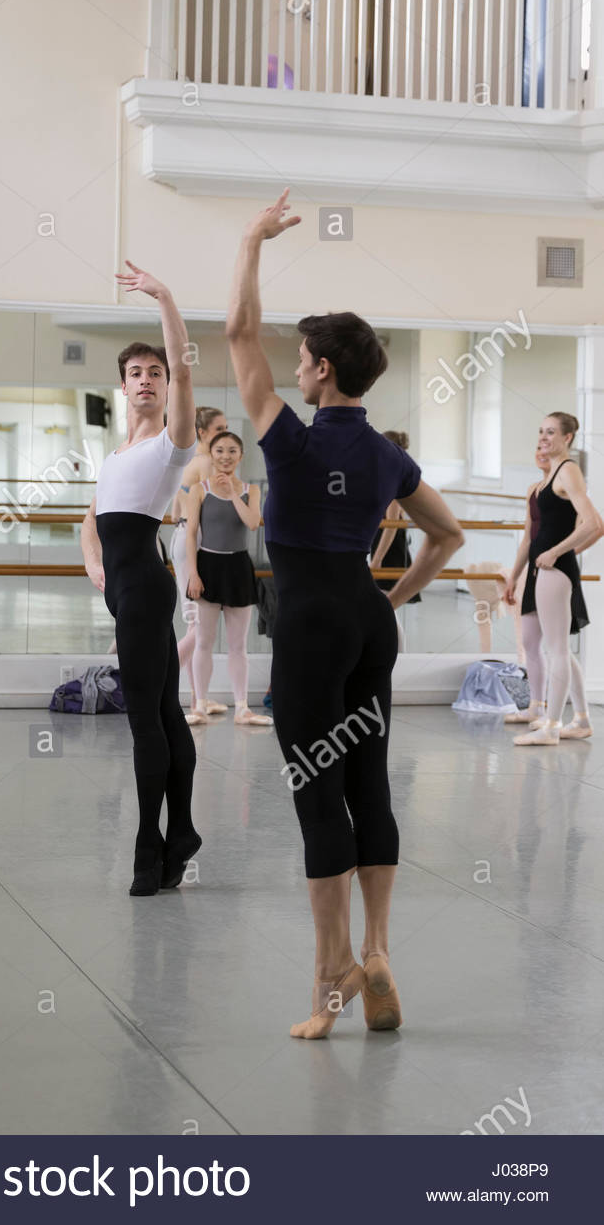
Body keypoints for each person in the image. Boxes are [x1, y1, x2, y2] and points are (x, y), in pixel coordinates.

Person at [226, 189, 465, 1039]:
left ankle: (332, 980)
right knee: (369, 781)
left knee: (314, 791)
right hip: (367, 621)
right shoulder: (385, 455)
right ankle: (380, 949)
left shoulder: (289, 440)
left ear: (323, 370)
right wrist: (390, 597)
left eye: (302, 359)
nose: (291, 368)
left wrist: (254, 238)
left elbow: (238, 337)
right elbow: (449, 535)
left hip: (311, 624)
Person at [80, 261, 199, 897]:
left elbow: (183, 362)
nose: (147, 380)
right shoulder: (115, 456)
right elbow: (90, 522)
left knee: (146, 725)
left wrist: (164, 295)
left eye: (156, 373)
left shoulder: (169, 446)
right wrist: (97, 569)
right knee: (165, 718)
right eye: (136, 374)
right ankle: (179, 834)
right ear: (122, 387)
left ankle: (148, 846)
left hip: (148, 592)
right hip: (127, 589)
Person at [503, 416, 602, 744]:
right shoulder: (542, 484)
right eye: (540, 431)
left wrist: (560, 554)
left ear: (568, 437)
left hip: (553, 570)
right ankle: (581, 719)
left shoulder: (569, 470)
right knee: (536, 642)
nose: (543, 438)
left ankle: (552, 726)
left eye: (551, 432)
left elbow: (593, 523)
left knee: (558, 648)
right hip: (537, 571)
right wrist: (513, 577)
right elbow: (529, 539)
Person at [184, 430, 272, 727]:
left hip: (238, 568)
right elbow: (191, 534)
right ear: (211, 455)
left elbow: (251, 523)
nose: (225, 456)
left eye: (232, 451)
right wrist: (193, 574)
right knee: (204, 642)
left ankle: (242, 708)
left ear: (241, 456)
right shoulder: (198, 490)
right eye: (219, 450)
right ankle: (198, 706)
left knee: (238, 645)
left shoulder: (251, 490)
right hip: (208, 566)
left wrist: (233, 492)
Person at [168, 406, 230, 716]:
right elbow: (216, 509)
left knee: (196, 623)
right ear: (203, 433)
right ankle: (156, 688)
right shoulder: (205, 462)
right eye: (219, 429)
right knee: (199, 630)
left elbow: (174, 511)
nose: (225, 435)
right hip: (194, 541)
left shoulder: (189, 462)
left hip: (183, 538)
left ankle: (197, 700)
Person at [370, 430, 421, 643]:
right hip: (380, 545)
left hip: (390, 550)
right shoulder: (384, 480)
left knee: (386, 608)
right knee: (384, 608)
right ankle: (394, 650)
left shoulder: (395, 482)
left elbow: (391, 527)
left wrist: (377, 560)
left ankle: (398, 652)